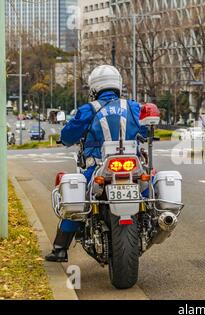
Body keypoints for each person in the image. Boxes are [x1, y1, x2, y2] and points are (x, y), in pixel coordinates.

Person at [45, 65, 145, 262]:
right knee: (147, 193)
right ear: (118, 85)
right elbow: (147, 131)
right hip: (133, 167)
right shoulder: (133, 107)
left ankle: (60, 249)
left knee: (77, 199)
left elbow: (68, 135)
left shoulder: (88, 110)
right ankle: (152, 222)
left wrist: (64, 139)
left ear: (94, 88)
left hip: (97, 168)